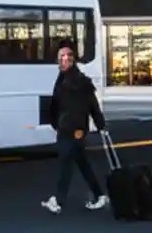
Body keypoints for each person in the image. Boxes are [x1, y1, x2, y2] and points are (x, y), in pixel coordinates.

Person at [42, 41, 109, 214]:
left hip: (67, 128)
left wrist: (55, 123)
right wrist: (101, 124)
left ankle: (58, 201)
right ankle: (99, 195)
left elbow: (55, 105)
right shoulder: (83, 81)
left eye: (63, 59)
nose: (62, 62)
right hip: (79, 129)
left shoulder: (63, 82)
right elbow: (93, 105)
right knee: (81, 162)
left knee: (65, 164)